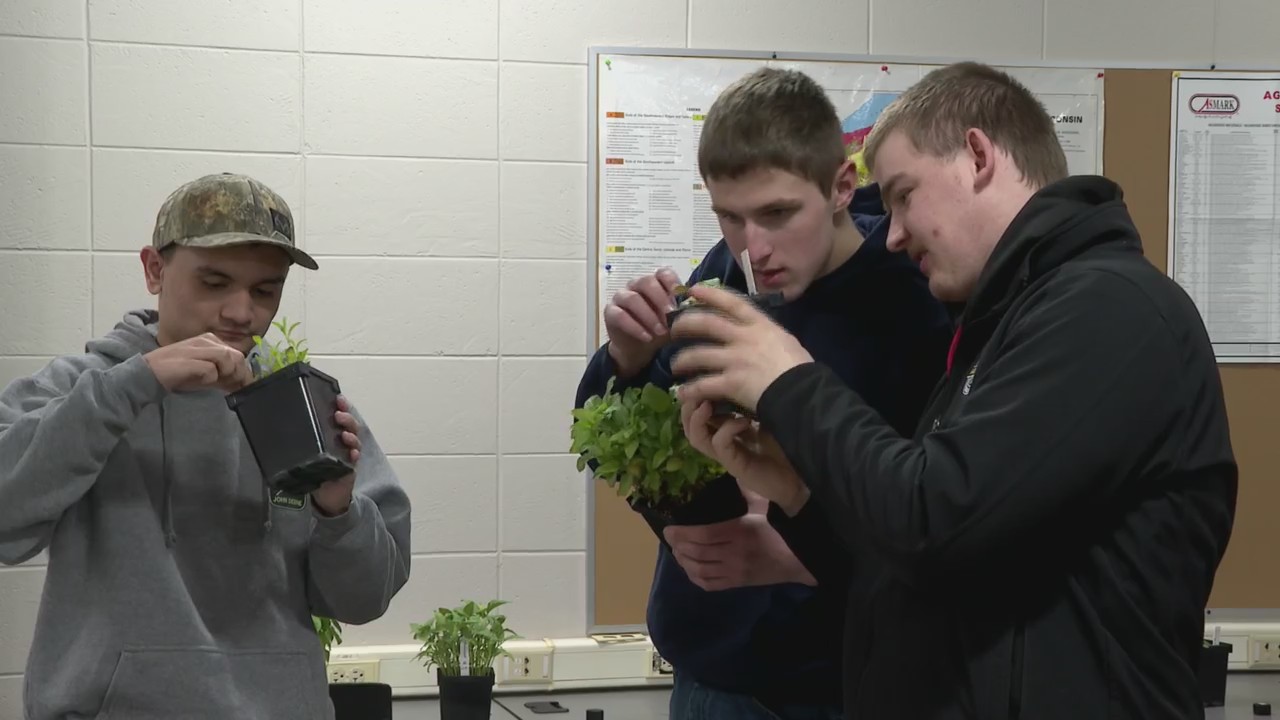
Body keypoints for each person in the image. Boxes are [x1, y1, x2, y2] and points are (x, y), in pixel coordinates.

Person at [670, 61, 1238, 719]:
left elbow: (933, 521)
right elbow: (919, 573)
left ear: (977, 157)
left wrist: (789, 379)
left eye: (903, 195)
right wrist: (797, 493)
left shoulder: (1110, 308)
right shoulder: (1001, 330)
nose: (894, 235)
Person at [574, 67, 953, 719]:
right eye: (730, 217)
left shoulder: (916, 306)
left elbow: (935, 525)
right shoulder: (727, 272)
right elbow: (619, 440)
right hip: (709, 675)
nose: (755, 249)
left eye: (778, 214)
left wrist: (805, 553)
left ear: (841, 187)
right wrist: (625, 359)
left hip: (841, 683)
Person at [0, 173, 412, 719]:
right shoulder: (78, 390)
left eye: (265, 291)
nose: (242, 312)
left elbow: (363, 601)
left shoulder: (310, 410)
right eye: (215, 282)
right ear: (154, 269)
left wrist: (338, 512)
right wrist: (130, 387)